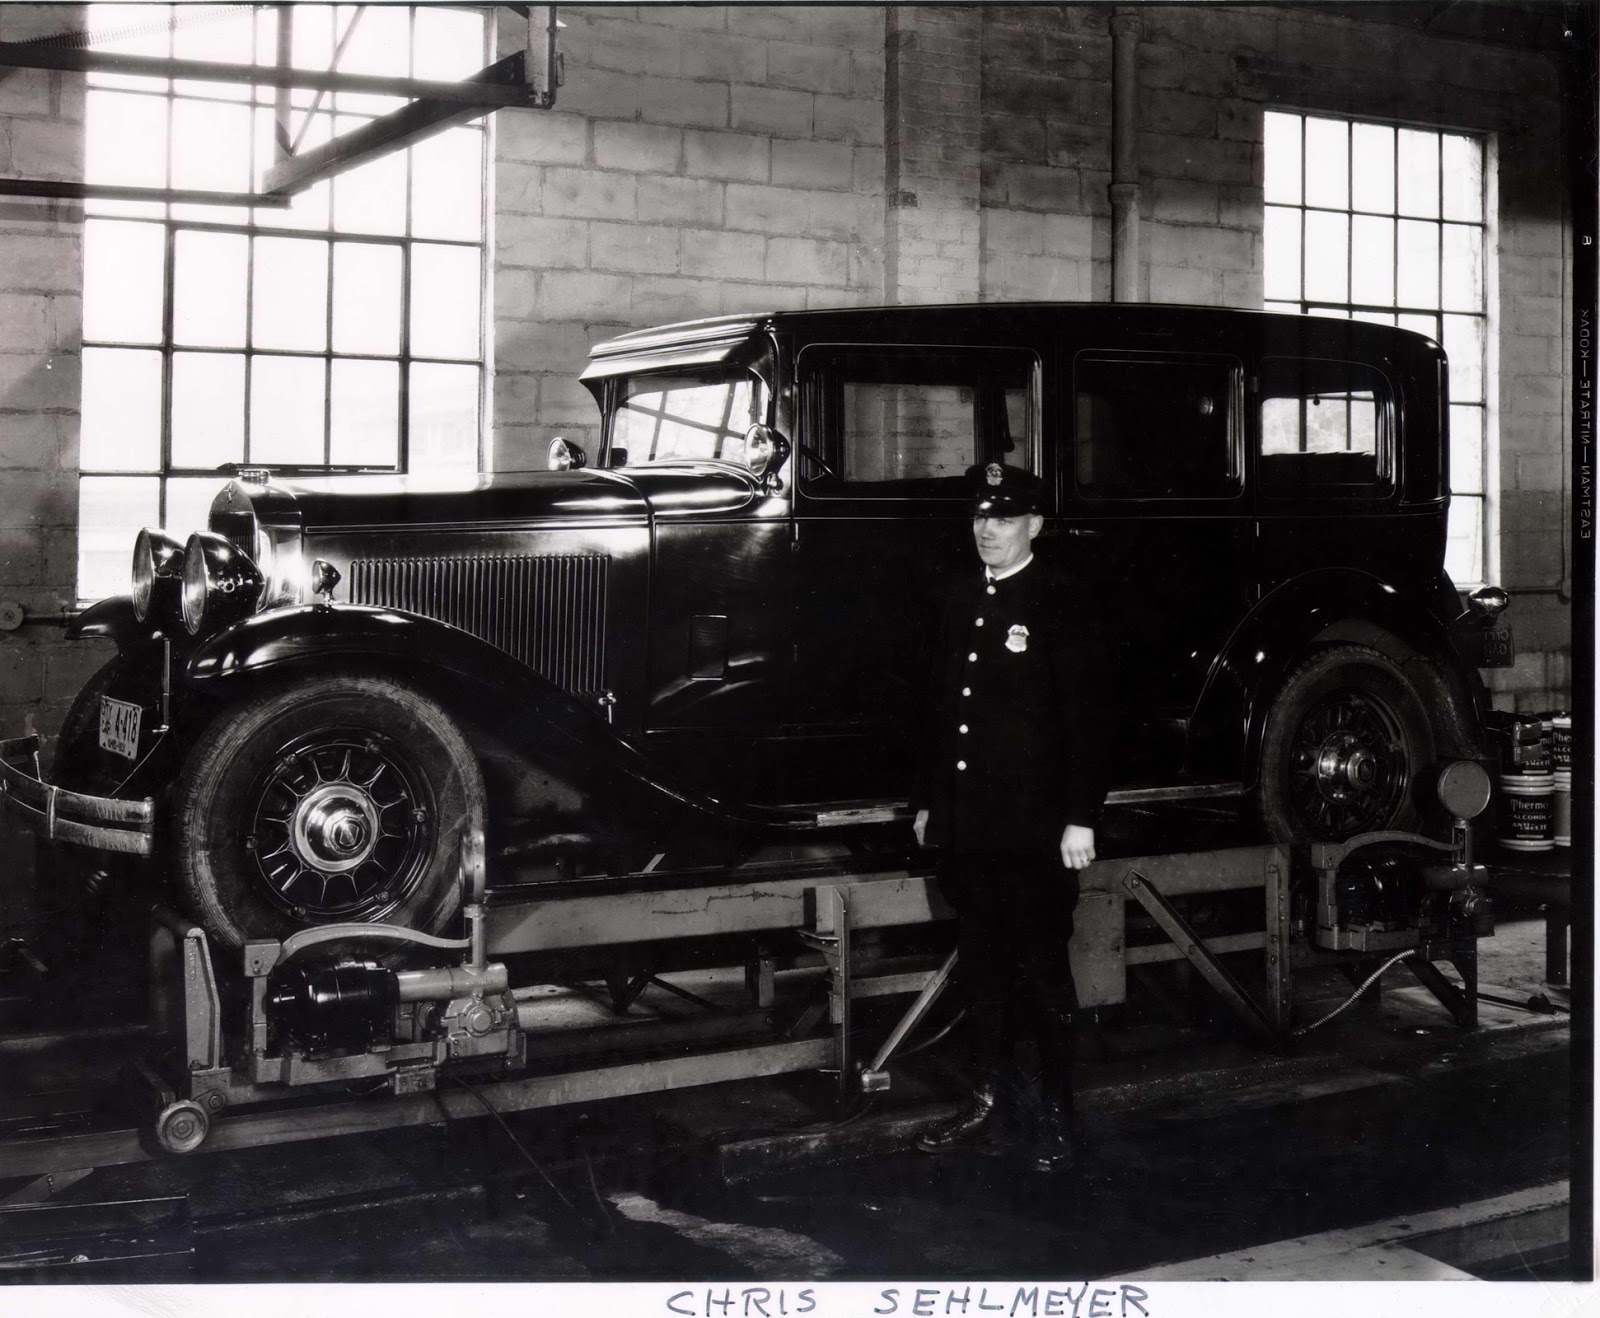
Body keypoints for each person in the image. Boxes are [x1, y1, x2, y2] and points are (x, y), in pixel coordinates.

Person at [910, 461, 1111, 1173]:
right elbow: (945, 714)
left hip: (1035, 832)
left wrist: (1081, 818)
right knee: (984, 972)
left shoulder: (1060, 600)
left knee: (1043, 973)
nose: (986, 530)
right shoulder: (963, 596)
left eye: (1002, 517)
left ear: (1034, 524)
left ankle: (1058, 1114)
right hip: (971, 828)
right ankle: (988, 1099)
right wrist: (933, 801)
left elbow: (1086, 722)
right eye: (978, 517)